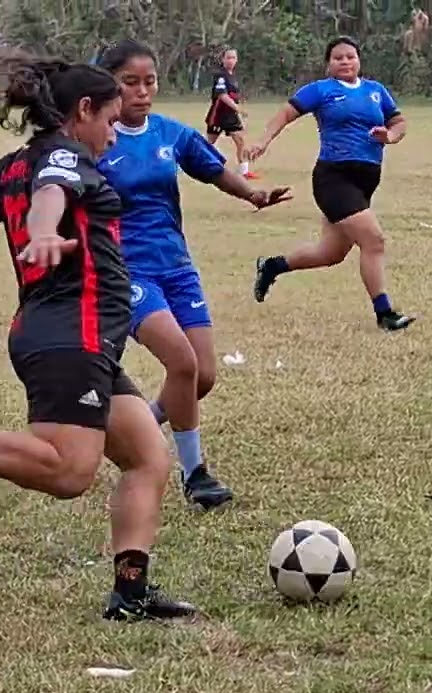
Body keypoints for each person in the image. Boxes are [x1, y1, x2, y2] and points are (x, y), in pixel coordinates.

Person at [0, 58, 196, 622]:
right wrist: (44, 232)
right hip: (73, 335)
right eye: (109, 120)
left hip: (73, 337)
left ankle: (130, 593)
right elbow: (52, 192)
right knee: (70, 472)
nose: (113, 134)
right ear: (84, 111)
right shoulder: (65, 155)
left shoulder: (13, 165)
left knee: (147, 457)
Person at [96, 40, 291, 510]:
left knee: (201, 376)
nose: (142, 91)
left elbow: (214, 170)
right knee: (181, 364)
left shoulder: (170, 133)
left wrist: (253, 195)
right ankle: (195, 475)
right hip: (128, 272)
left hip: (177, 267)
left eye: (149, 82)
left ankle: (143, 422)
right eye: (130, 83)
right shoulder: (96, 141)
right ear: (109, 85)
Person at [246, 36, 415, 332]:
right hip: (334, 179)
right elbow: (285, 114)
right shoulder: (321, 90)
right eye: (338, 58)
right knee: (373, 240)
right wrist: (263, 141)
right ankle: (385, 313)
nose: (345, 61)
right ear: (328, 64)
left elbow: (398, 123)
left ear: (359, 60)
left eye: (350, 56)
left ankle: (273, 266)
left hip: (366, 180)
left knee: (331, 254)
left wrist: (390, 136)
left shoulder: (376, 91)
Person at [205, 48, 258, 180]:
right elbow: (222, 96)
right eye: (228, 57)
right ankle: (187, 162)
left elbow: (233, 94)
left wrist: (237, 105)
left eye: (233, 58)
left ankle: (244, 171)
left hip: (231, 115)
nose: (231, 60)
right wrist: (238, 108)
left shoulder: (233, 76)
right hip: (218, 115)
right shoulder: (220, 76)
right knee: (208, 143)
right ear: (223, 59)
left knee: (240, 140)